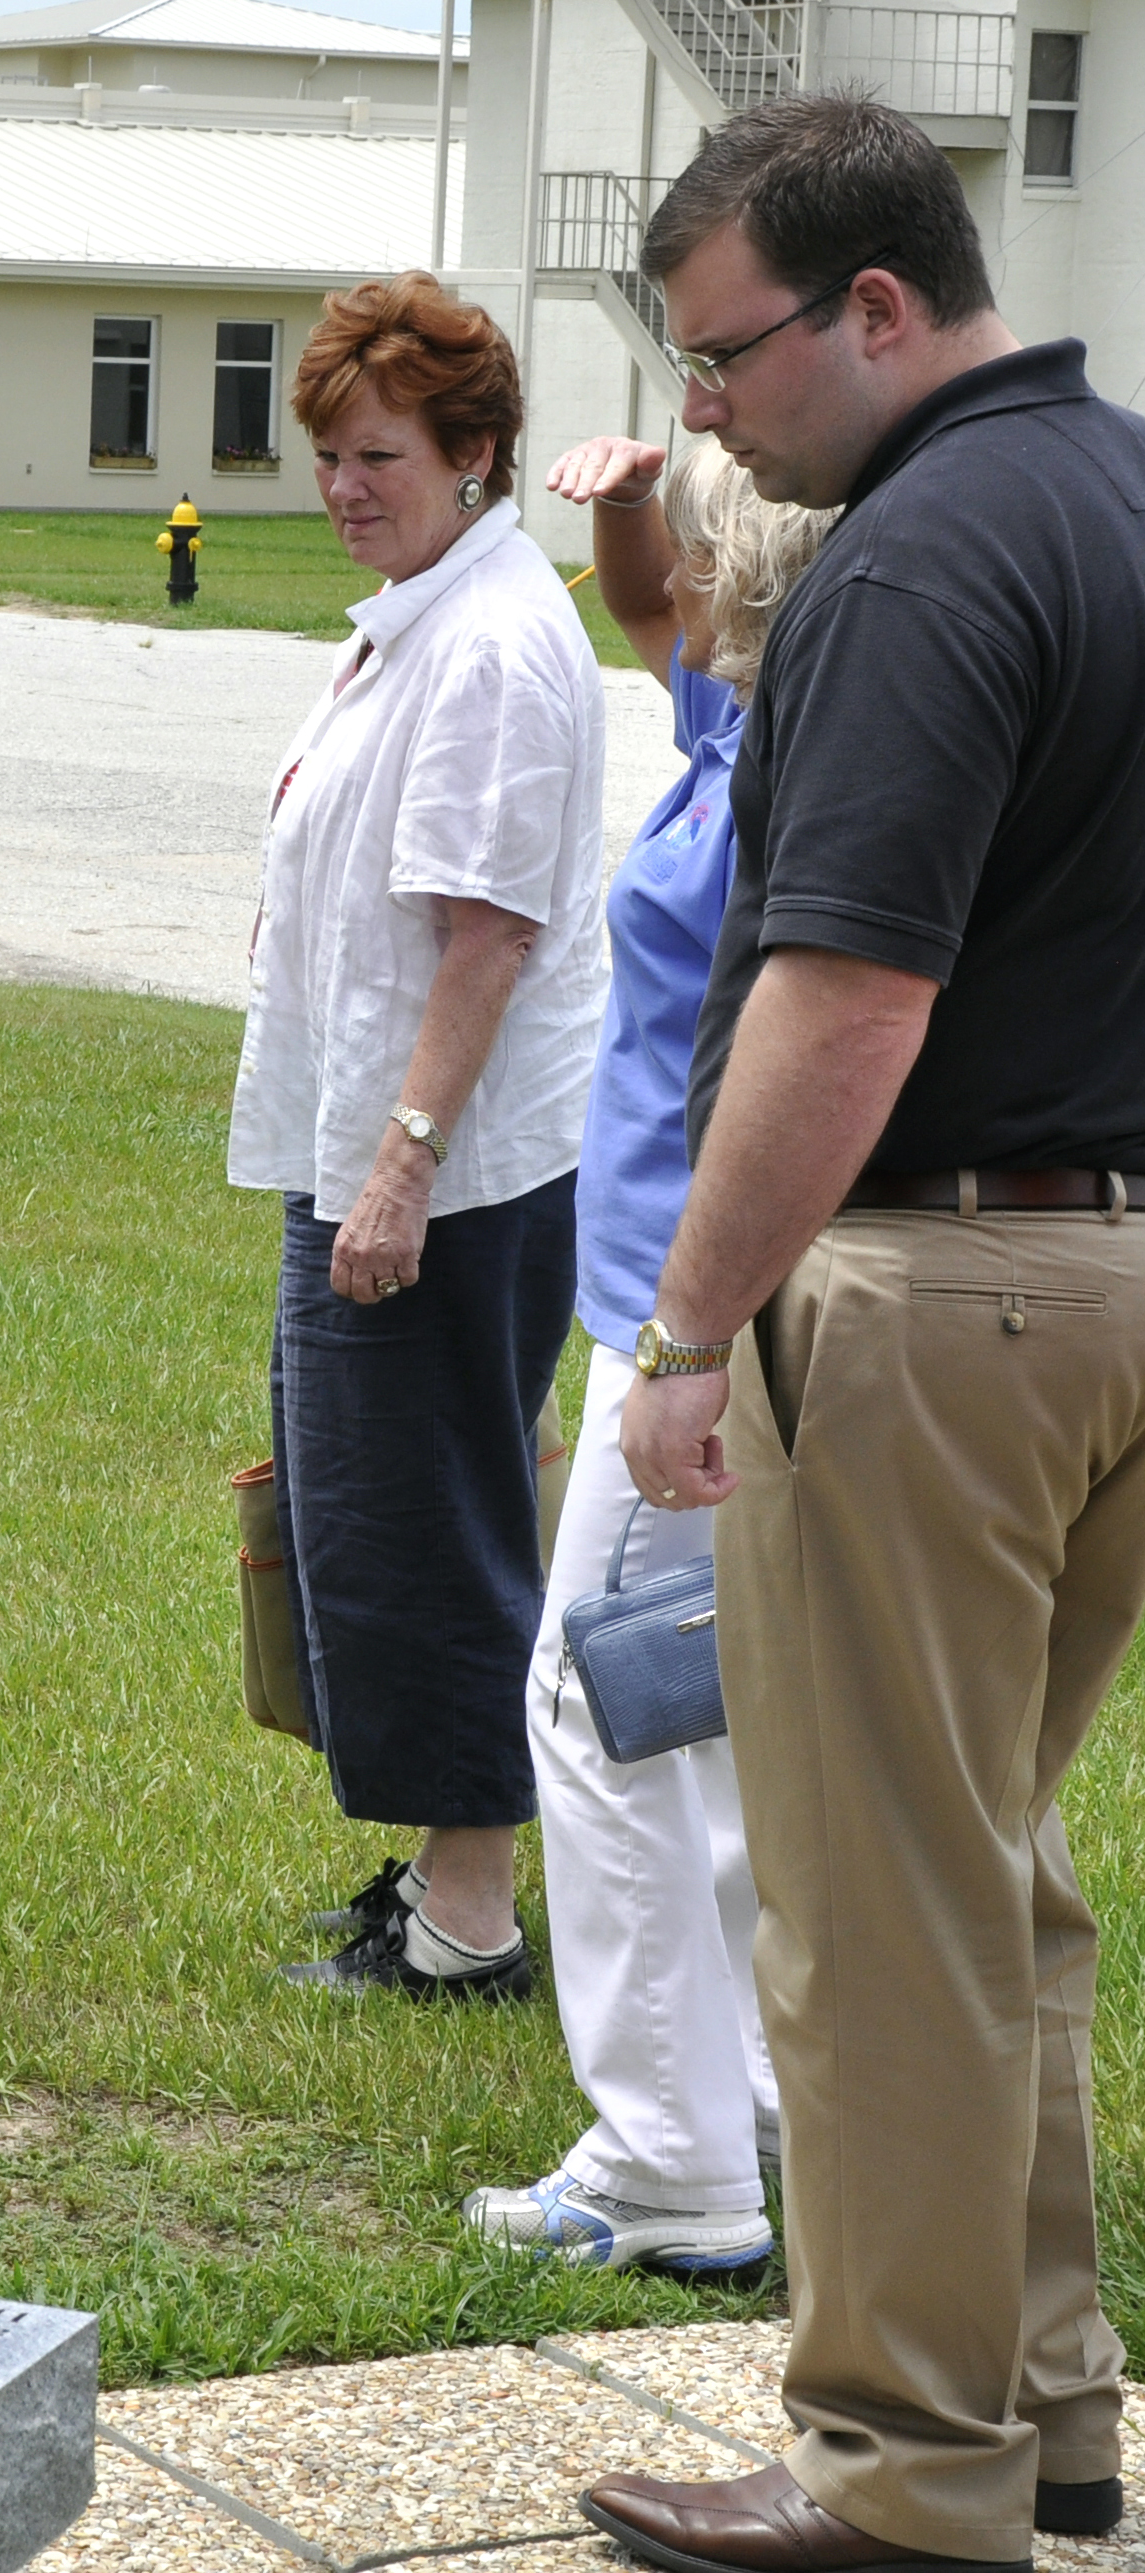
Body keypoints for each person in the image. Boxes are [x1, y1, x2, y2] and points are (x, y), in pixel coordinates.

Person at [585, 94, 1145, 2573]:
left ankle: (905, 2475)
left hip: (936, 1292)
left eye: (725, 356)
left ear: (882, 306)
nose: (702, 409)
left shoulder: (920, 555)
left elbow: (845, 999)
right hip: (1112, 1279)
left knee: (881, 1920)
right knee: (991, 1876)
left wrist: (689, 1331)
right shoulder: (1122, 494)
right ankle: (1046, 2413)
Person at [461, 435, 834, 2274]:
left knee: (596, 1700)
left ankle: (664, 2164)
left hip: (692, 1310)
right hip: (682, 1302)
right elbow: (639, 611)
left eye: (687, 544)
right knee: (715, 1703)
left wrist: (691, 1326)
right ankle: (752, 2093)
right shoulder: (749, 720)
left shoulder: (781, 772)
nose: (663, 582)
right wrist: (621, 507)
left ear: (739, 572)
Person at [231, 273, 610, 2000]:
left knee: (430, 1522)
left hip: (443, 1176)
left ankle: (467, 1923)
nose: (340, 484)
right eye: (325, 452)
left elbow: (485, 935)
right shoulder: (425, 612)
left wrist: (397, 1167)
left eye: (375, 454)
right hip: (387, 1151)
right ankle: (446, 1879)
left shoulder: (489, 646)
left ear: (475, 455)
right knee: (374, 1508)